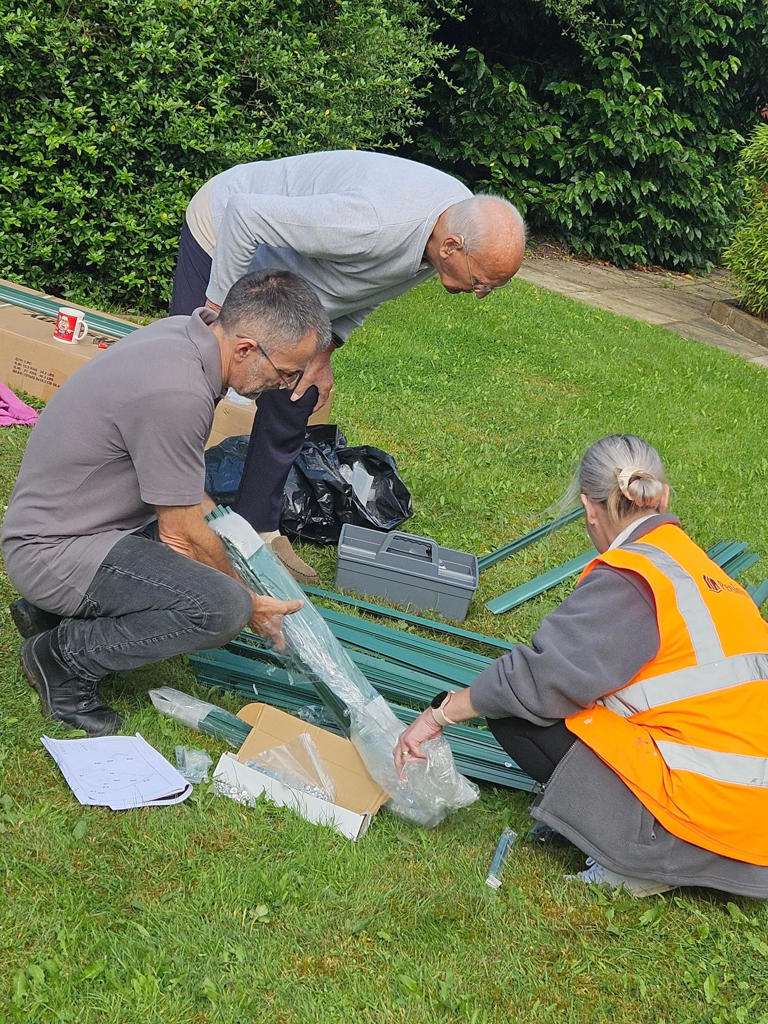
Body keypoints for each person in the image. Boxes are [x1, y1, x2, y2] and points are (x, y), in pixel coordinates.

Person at [394, 435, 768, 898]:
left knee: (515, 709)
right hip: (751, 819)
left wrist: (438, 715)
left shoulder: (634, 577)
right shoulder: (702, 571)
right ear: (663, 496)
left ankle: (636, 861)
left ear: (590, 509)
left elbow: (536, 680)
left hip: (699, 817)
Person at [169, 150, 527, 582]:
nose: (480, 294)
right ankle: (157, 508)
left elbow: (371, 285)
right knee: (195, 376)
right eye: (480, 281)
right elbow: (246, 216)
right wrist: (219, 311)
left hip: (289, 270)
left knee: (297, 392)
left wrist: (325, 347)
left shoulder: (454, 230)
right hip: (227, 232)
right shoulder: (372, 223)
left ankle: (256, 530)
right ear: (452, 246)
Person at [1, 270, 332, 736]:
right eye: (284, 373)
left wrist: (223, 536)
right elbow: (181, 532)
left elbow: (180, 485)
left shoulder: (186, 332)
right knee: (222, 608)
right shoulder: (178, 392)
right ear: (244, 348)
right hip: (54, 549)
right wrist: (248, 598)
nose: (285, 385)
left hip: (78, 524)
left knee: (217, 543)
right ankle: (61, 657)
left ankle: (50, 613)